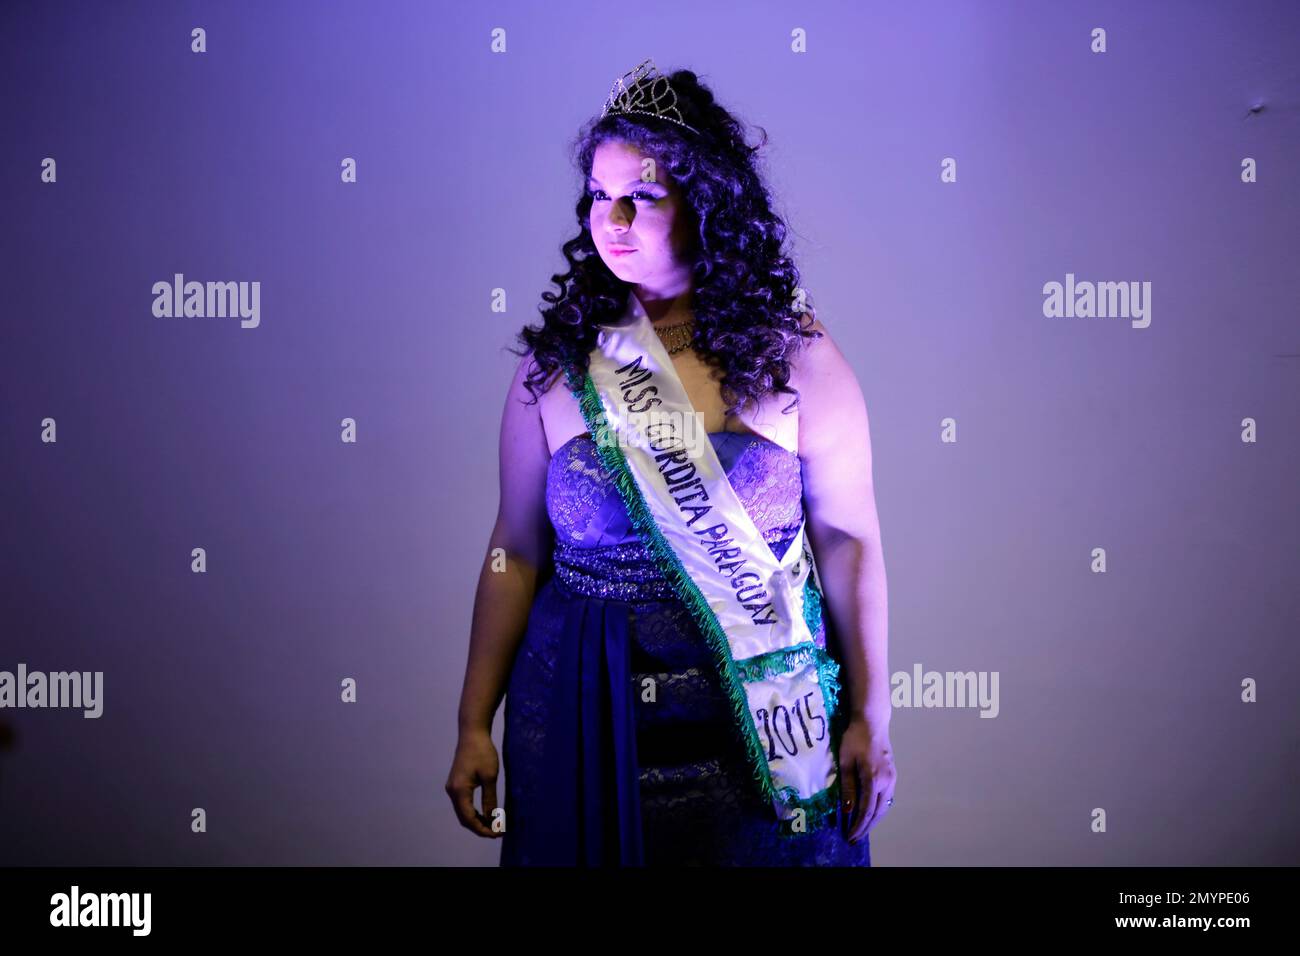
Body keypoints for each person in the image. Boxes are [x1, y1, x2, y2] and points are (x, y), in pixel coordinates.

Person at [446, 59, 894, 866]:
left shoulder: (799, 360)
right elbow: (512, 549)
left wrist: (873, 718)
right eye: (596, 195)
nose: (609, 218)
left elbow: (848, 541)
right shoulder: (556, 368)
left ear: (706, 204)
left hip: (755, 719)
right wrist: (474, 722)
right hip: (585, 698)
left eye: (641, 197)